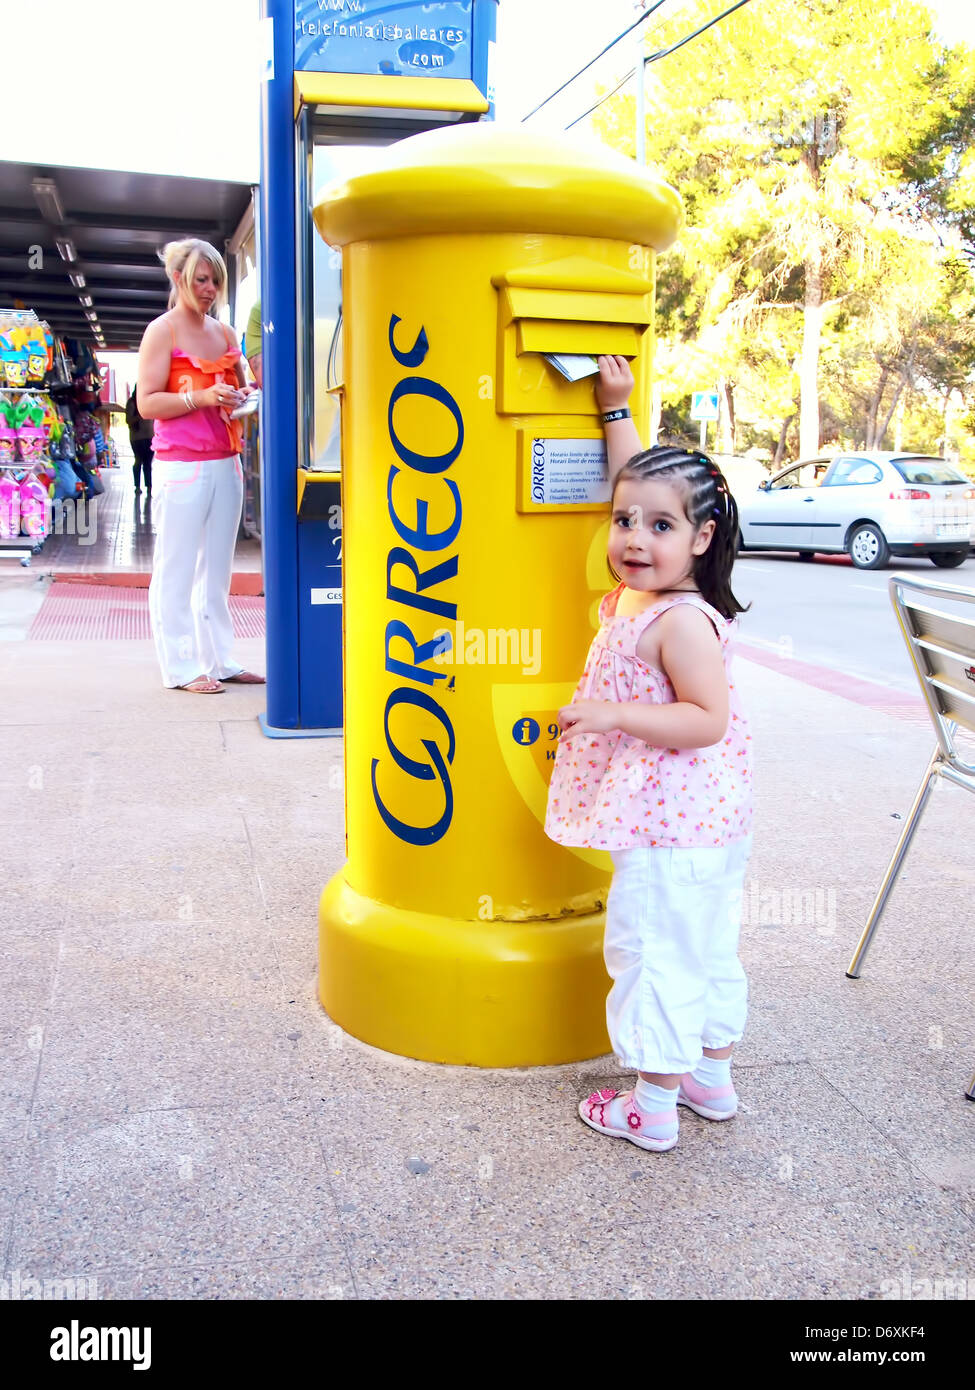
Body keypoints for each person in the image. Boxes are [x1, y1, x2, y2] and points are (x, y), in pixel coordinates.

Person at [545, 355, 753, 1153]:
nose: (634, 536)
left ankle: (652, 1106)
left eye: (660, 527)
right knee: (698, 943)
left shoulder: (679, 621)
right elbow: (637, 477)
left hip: (679, 827)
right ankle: (707, 1076)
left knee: (653, 949)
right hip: (696, 822)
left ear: (700, 539)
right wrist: (614, 408)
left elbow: (705, 719)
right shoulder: (645, 591)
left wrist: (610, 713)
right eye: (624, 519)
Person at [137, 238, 265, 693]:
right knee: (175, 567)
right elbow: (147, 403)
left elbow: (243, 390)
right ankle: (181, 666)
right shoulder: (162, 331)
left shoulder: (226, 334)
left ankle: (220, 659)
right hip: (181, 466)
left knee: (217, 570)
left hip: (225, 462)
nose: (209, 289)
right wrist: (200, 397)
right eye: (201, 280)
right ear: (178, 280)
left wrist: (242, 400)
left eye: (215, 281)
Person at [125, 385, 154, 497]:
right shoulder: (132, 403)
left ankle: (149, 487)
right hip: (137, 437)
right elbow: (128, 420)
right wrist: (141, 415)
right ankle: (137, 486)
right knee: (138, 461)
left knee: (148, 463)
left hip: (150, 436)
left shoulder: (150, 402)